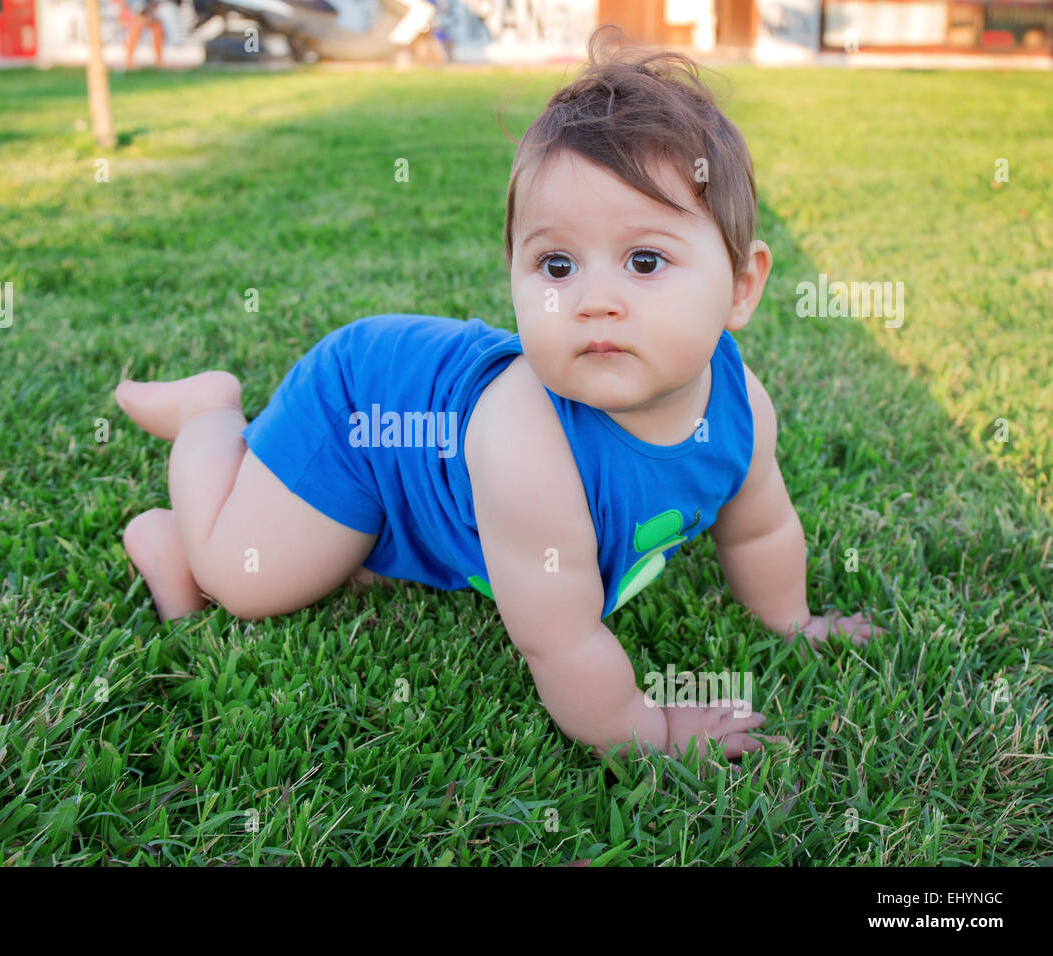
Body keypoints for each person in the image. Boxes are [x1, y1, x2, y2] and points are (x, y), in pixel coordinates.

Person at [114, 25, 885, 763]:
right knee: (246, 581)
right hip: (362, 423)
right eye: (556, 267)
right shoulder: (529, 445)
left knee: (340, 561)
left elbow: (758, 530)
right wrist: (640, 724)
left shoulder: (740, 406)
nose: (594, 300)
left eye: (645, 262)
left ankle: (378, 538)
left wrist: (791, 622)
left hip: (424, 457)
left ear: (742, 286)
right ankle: (208, 421)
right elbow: (560, 636)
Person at [119, 0, 164, 69]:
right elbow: (125, 6)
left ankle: (159, 60)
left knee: (157, 28)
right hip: (134, 16)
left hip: (148, 14)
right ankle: (129, 60)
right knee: (136, 27)